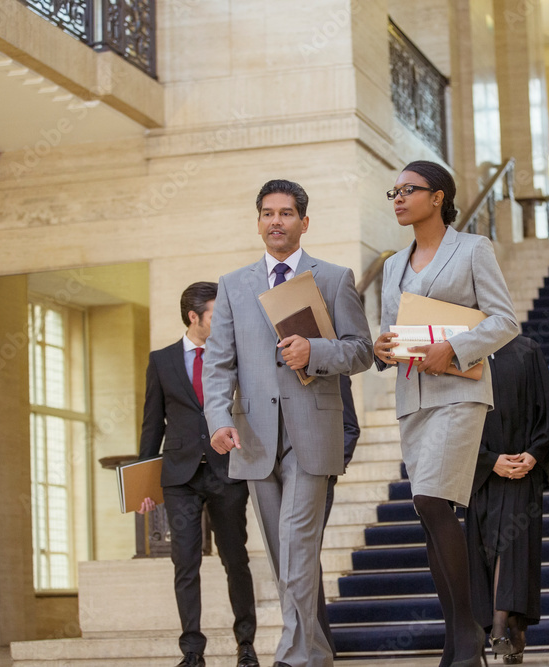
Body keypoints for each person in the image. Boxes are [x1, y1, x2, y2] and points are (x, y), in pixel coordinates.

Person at [203, 180, 373, 667]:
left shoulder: (333, 278)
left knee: (298, 542)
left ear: (303, 221)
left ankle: (294, 653)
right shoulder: (234, 284)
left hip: (311, 434)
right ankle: (314, 649)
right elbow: (219, 364)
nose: (276, 221)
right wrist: (218, 419)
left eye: (286, 213)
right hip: (254, 437)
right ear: (258, 221)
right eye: (267, 213)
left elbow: (361, 351)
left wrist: (314, 351)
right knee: (284, 554)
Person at [373, 160, 519, 667]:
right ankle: (457, 637)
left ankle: (466, 629)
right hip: (413, 397)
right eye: (393, 191)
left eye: (407, 190)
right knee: (427, 510)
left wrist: (455, 349)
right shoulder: (392, 264)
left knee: (436, 502)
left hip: (459, 393)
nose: (397, 198)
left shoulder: (474, 248)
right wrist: (382, 346)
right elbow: (393, 328)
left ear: (437, 197)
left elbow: (505, 320)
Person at [137, 281, 258, 667]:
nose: (223, 321)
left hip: (228, 472)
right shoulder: (162, 361)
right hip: (180, 477)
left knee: (235, 559)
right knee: (184, 562)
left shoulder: (235, 355)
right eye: (215, 314)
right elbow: (151, 425)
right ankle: (192, 651)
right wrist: (143, 484)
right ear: (194, 317)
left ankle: (246, 645)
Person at [465, 335, 549, 665]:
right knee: (488, 553)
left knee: (512, 545)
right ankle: (511, 633)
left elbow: (545, 409)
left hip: (522, 470)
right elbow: (455, 423)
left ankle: (501, 625)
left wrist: (533, 455)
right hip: (484, 476)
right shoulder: (460, 354)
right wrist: (489, 461)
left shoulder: (526, 350)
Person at [316, 374, 361, 655]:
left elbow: (349, 428)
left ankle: (318, 643)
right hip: (277, 479)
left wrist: (330, 468)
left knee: (305, 557)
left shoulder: (333, 369)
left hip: (319, 475)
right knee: (292, 562)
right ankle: (312, 642)